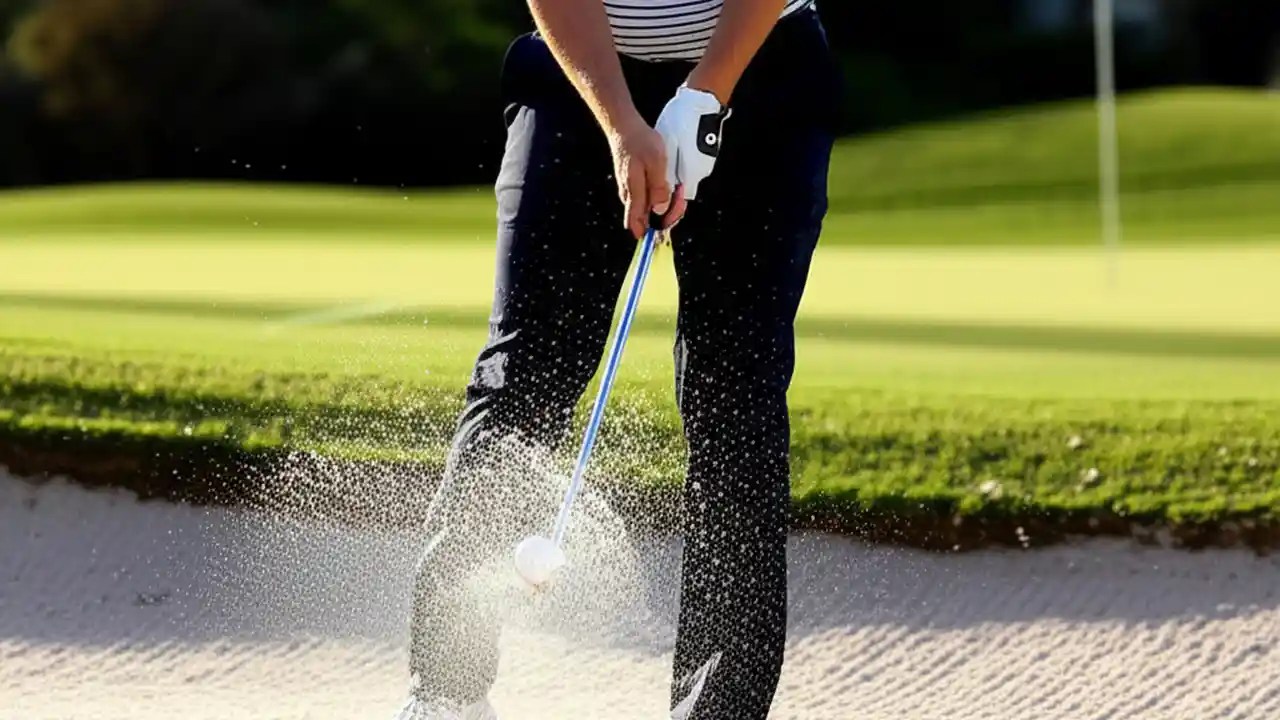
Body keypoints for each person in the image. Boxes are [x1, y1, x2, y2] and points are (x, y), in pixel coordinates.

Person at [401, 1, 839, 718]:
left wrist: (705, 90)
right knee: (521, 377)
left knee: (735, 394)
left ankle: (718, 709)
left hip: (761, 64)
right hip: (581, 76)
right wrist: (620, 122)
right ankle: (446, 693)